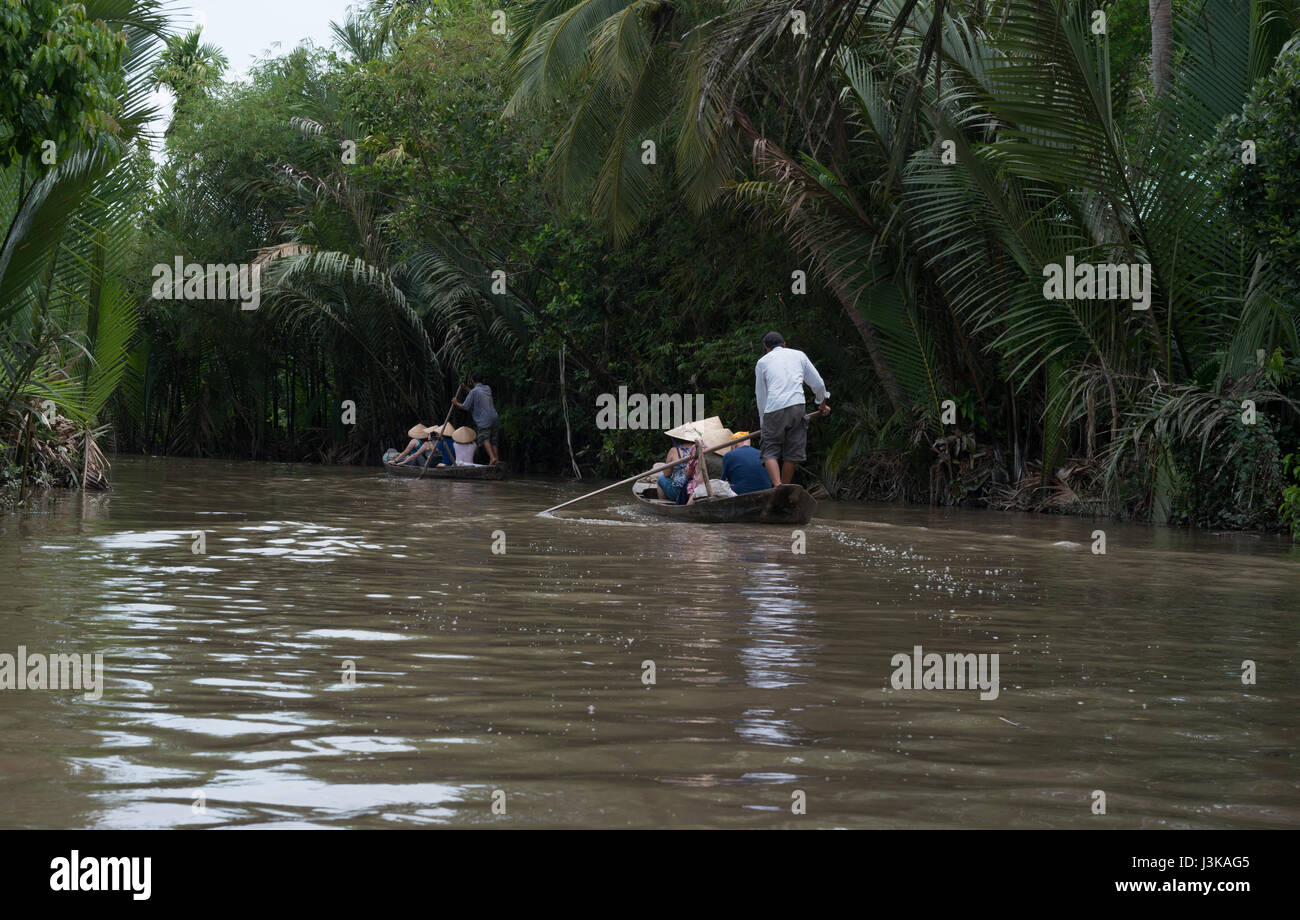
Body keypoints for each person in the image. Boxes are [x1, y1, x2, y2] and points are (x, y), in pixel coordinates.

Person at [754, 331, 830, 487]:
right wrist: (821, 404)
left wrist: (763, 422)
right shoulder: (799, 355)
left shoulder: (762, 362)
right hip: (798, 407)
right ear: (784, 344)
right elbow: (819, 384)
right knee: (792, 452)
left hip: (774, 408)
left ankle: (778, 487)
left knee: (769, 450)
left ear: (766, 348)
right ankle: (785, 490)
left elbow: (761, 395)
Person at [453, 372, 501, 464]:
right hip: (494, 417)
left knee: (484, 438)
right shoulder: (487, 388)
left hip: (485, 420)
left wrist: (456, 403)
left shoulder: (475, 391)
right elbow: (475, 393)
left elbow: (465, 406)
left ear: (472, 380)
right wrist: (465, 388)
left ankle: (492, 458)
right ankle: (497, 459)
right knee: (494, 441)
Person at [655, 438, 698, 505]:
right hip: (697, 489)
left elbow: (667, 474)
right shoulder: (701, 449)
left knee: (661, 479)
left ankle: (664, 505)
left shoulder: (674, 450)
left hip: (681, 490)